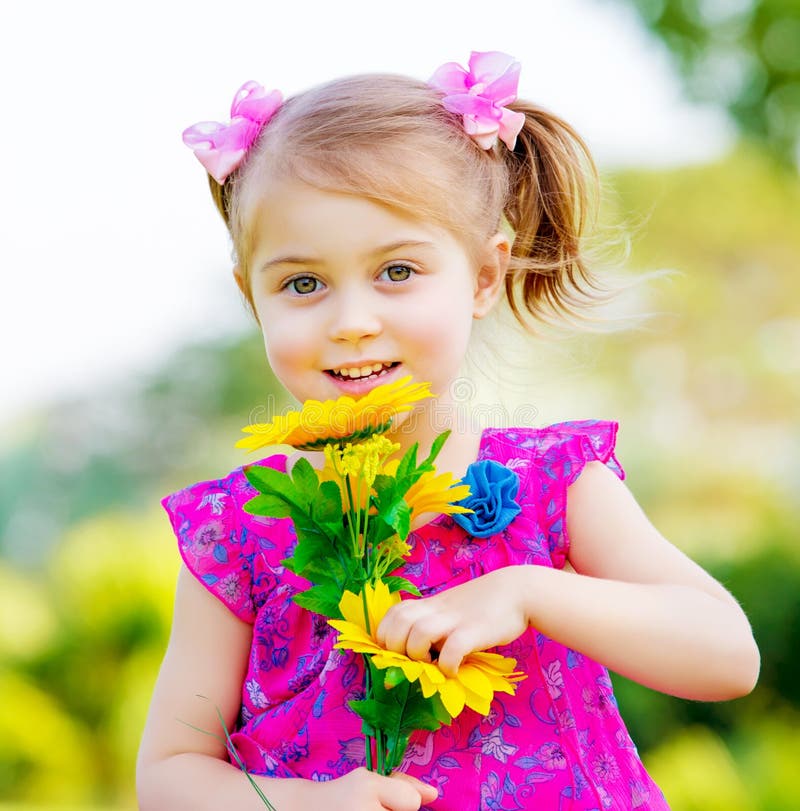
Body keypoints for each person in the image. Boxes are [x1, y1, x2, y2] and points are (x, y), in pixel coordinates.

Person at [136, 52, 760, 810]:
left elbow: (727, 655)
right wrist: (307, 803)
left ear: (485, 277)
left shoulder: (552, 486)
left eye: (397, 272)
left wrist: (531, 590)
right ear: (252, 295)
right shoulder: (240, 532)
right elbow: (170, 772)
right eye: (303, 283)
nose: (352, 321)